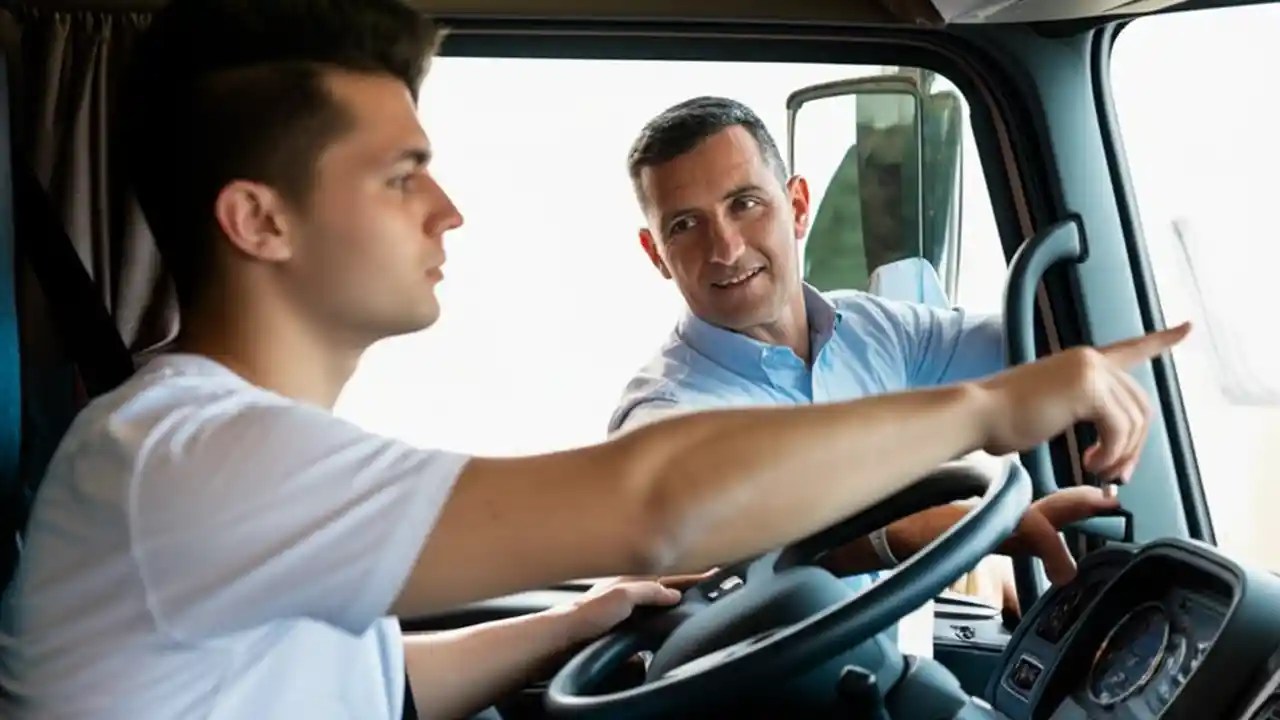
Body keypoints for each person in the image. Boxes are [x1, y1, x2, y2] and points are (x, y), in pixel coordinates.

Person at [0, 1, 1187, 719]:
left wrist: (584, 622)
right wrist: (992, 406)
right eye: (401, 174)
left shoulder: (230, 454)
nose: (449, 210)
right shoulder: (188, 457)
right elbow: (657, 501)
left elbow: (384, 691)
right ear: (260, 222)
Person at [608, 96, 1124, 612]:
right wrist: (914, 530)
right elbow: (714, 552)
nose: (725, 248)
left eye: (744, 204)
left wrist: (1099, 350)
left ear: (799, 207)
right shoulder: (662, 414)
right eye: (685, 226)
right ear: (657, 255)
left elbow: (1040, 349)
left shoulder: (875, 330)